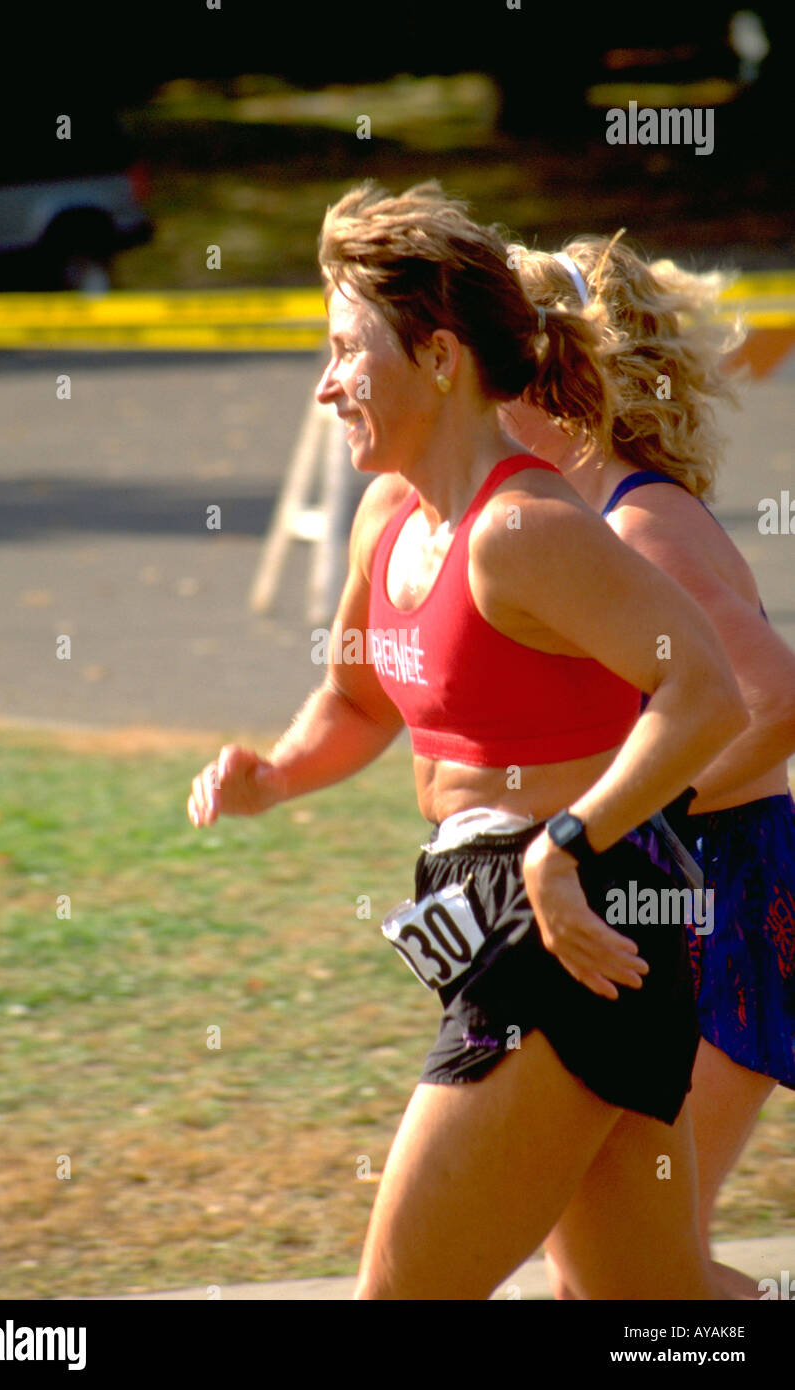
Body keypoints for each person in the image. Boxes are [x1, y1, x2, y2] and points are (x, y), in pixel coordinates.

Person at [188, 181, 748, 1300]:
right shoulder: (387, 518)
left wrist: (565, 844)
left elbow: (709, 693)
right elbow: (356, 705)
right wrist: (274, 776)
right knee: (652, 1307)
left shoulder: (520, 532)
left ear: (439, 359)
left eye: (348, 349)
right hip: (515, 914)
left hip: (575, 927)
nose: (325, 383)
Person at [500, 230, 795, 1300]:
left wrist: (615, 819)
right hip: (676, 901)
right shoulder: (582, 517)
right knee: (621, 1272)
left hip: (728, 907)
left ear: (536, 368)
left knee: (627, 1280)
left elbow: (771, 701)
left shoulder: (638, 525)